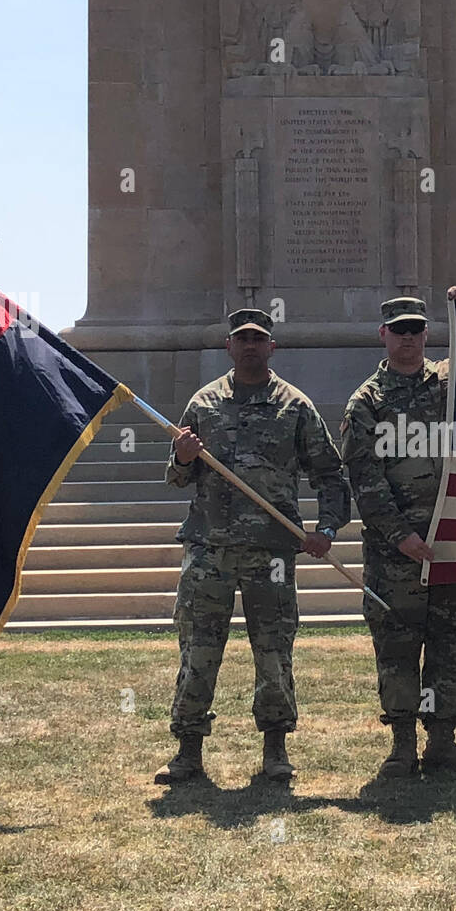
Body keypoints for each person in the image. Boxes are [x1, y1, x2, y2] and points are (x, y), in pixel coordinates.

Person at [155, 308, 350, 785]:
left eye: (258, 340)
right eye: (241, 339)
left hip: (272, 555)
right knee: (198, 651)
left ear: (271, 348)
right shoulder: (203, 404)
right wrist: (181, 457)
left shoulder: (294, 406)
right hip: (209, 550)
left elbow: (329, 472)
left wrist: (326, 527)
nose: (250, 347)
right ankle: (187, 750)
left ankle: (275, 749)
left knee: (273, 652)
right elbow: (178, 478)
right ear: (229, 346)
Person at [341, 292, 456, 778]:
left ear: (427, 333)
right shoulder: (366, 403)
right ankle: (402, 744)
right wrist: (400, 534)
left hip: (450, 545)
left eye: (416, 329)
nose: (408, 337)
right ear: (383, 334)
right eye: (398, 329)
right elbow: (365, 479)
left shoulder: (452, 385)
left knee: (452, 641)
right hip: (395, 554)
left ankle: (442, 742)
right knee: (398, 646)